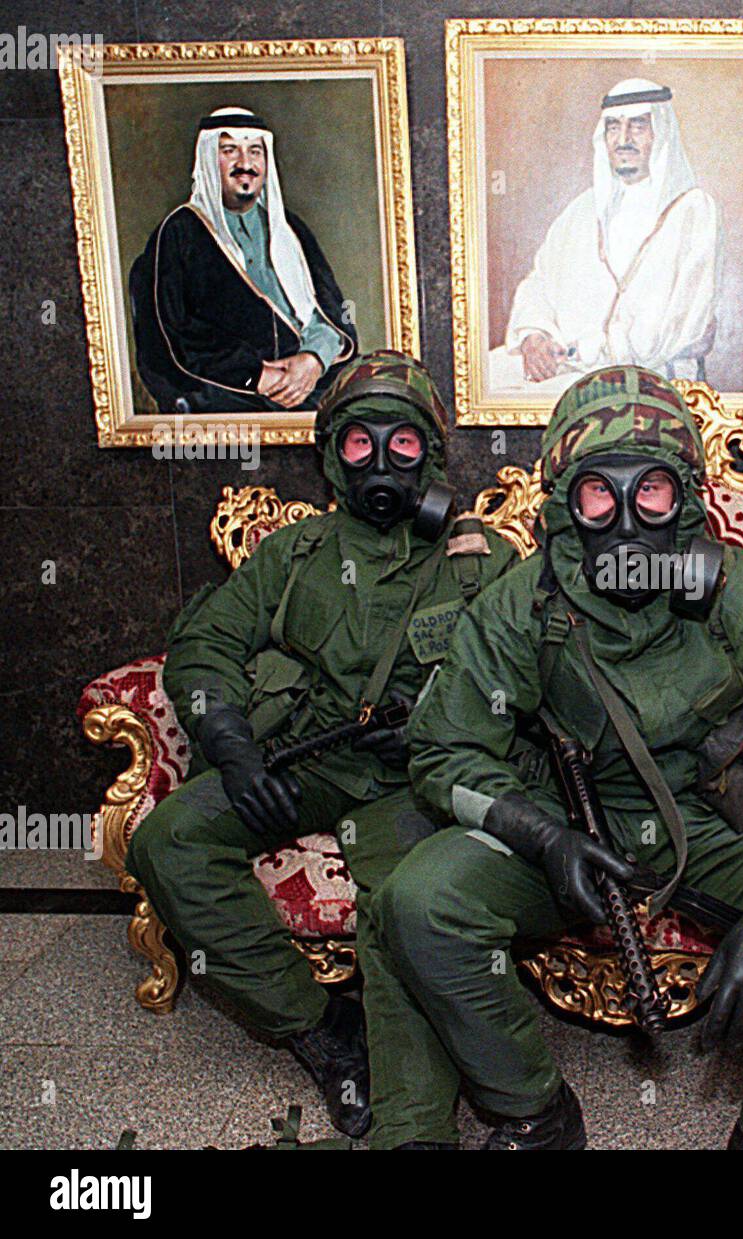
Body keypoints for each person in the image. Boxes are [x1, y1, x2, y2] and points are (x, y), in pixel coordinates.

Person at [375, 364, 743, 1149]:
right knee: (420, 897)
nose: (626, 519)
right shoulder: (518, 607)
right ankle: (533, 1108)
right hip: (574, 829)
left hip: (717, 822)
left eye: (650, 491)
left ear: (686, 501)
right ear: (564, 507)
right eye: (600, 493)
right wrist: (540, 834)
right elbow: (445, 753)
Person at [125, 351, 517, 1143]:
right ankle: (320, 1030)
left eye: (402, 444)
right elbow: (205, 643)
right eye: (359, 443)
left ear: (432, 456)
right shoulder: (292, 555)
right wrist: (230, 741)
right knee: (169, 842)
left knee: (405, 913)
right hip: (304, 757)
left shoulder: (480, 563)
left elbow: (533, 680)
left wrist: (464, 725)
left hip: (417, 779)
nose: (381, 462)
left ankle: (415, 1107)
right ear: (332, 455)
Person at [488, 80, 721, 392]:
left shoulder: (692, 210)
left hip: (647, 377)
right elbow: (539, 282)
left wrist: (578, 350)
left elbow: (668, 329)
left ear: (661, 133)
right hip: (571, 364)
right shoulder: (583, 209)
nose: (623, 139)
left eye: (638, 126)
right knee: (486, 375)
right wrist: (535, 335)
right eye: (613, 127)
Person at [130, 106, 356, 413]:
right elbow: (171, 333)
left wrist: (313, 359)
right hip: (231, 387)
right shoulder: (179, 232)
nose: (245, 163)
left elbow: (328, 312)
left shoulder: (290, 229)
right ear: (210, 159)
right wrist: (254, 375)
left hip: (307, 381)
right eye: (229, 150)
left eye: (254, 151)